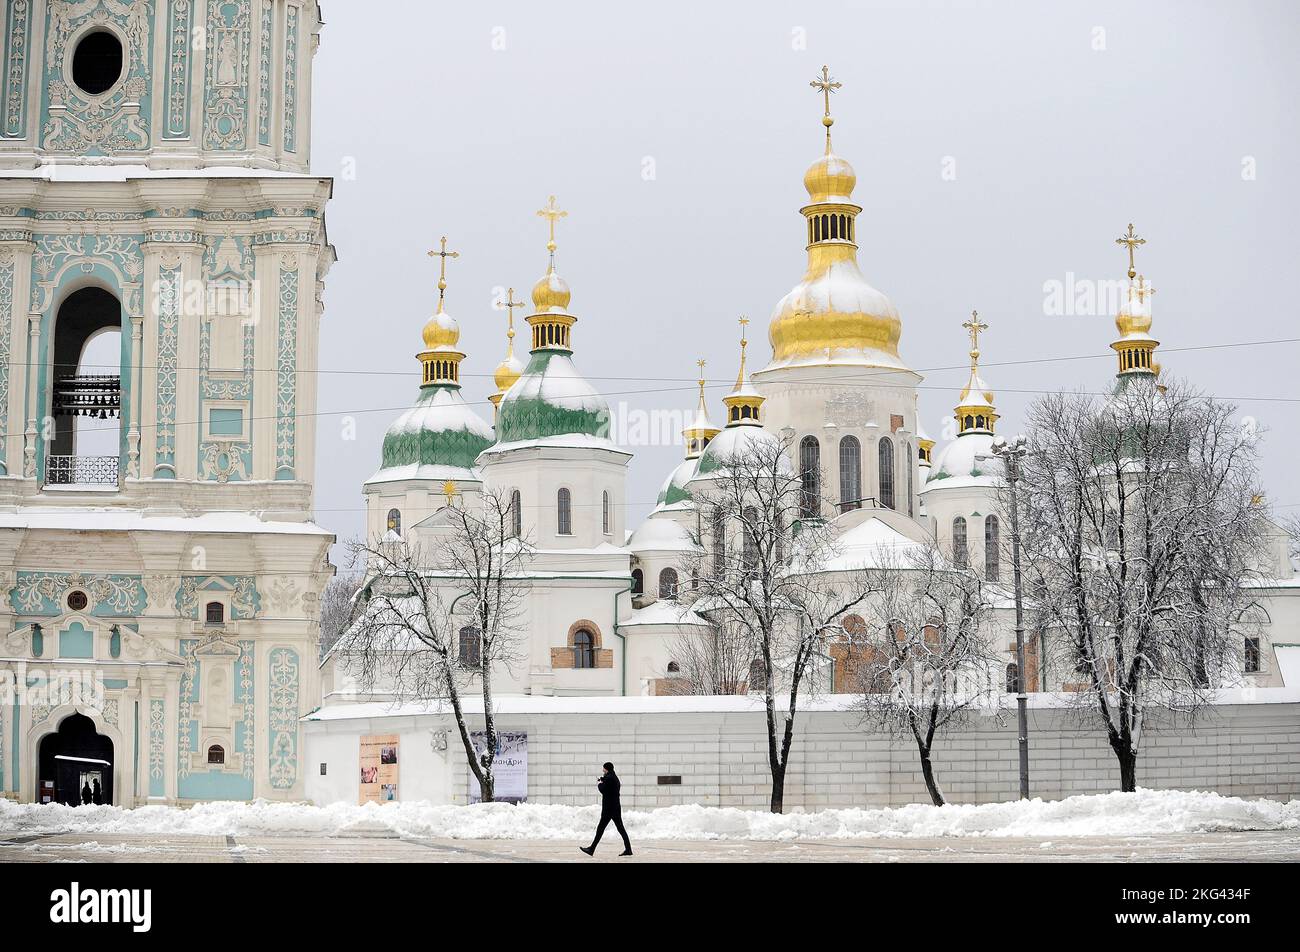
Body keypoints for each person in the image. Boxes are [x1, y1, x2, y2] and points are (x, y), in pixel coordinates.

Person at [580, 762, 632, 857]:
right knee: (620, 828)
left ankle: (591, 849)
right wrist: (603, 779)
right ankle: (628, 849)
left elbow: (603, 790)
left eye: (603, 769)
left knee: (600, 829)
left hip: (609, 808)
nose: (602, 770)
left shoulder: (609, 778)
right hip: (615, 807)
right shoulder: (614, 777)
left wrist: (599, 783)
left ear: (606, 769)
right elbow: (608, 782)